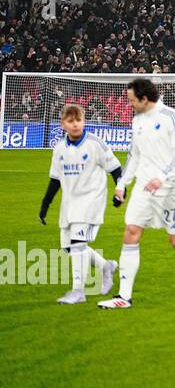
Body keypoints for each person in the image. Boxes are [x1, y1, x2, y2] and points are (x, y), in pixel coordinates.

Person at [99, 78, 175, 309]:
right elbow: (134, 155)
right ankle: (124, 296)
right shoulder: (137, 120)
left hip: (169, 188)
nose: (130, 105)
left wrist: (163, 177)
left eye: (131, 101)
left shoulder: (171, 117)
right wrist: (122, 183)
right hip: (143, 187)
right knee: (131, 232)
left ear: (144, 99)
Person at [39, 103, 121, 304]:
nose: (75, 124)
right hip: (70, 203)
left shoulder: (95, 144)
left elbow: (116, 169)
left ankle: (78, 292)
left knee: (77, 244)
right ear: (63, 124)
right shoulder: (59, 149)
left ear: (84, 121)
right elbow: (55, 179)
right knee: (69, 247)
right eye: (70, 121)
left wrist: (121, 190)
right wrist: (45, 204)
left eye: (79, 120)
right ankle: (106, 266)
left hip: (91, 201)